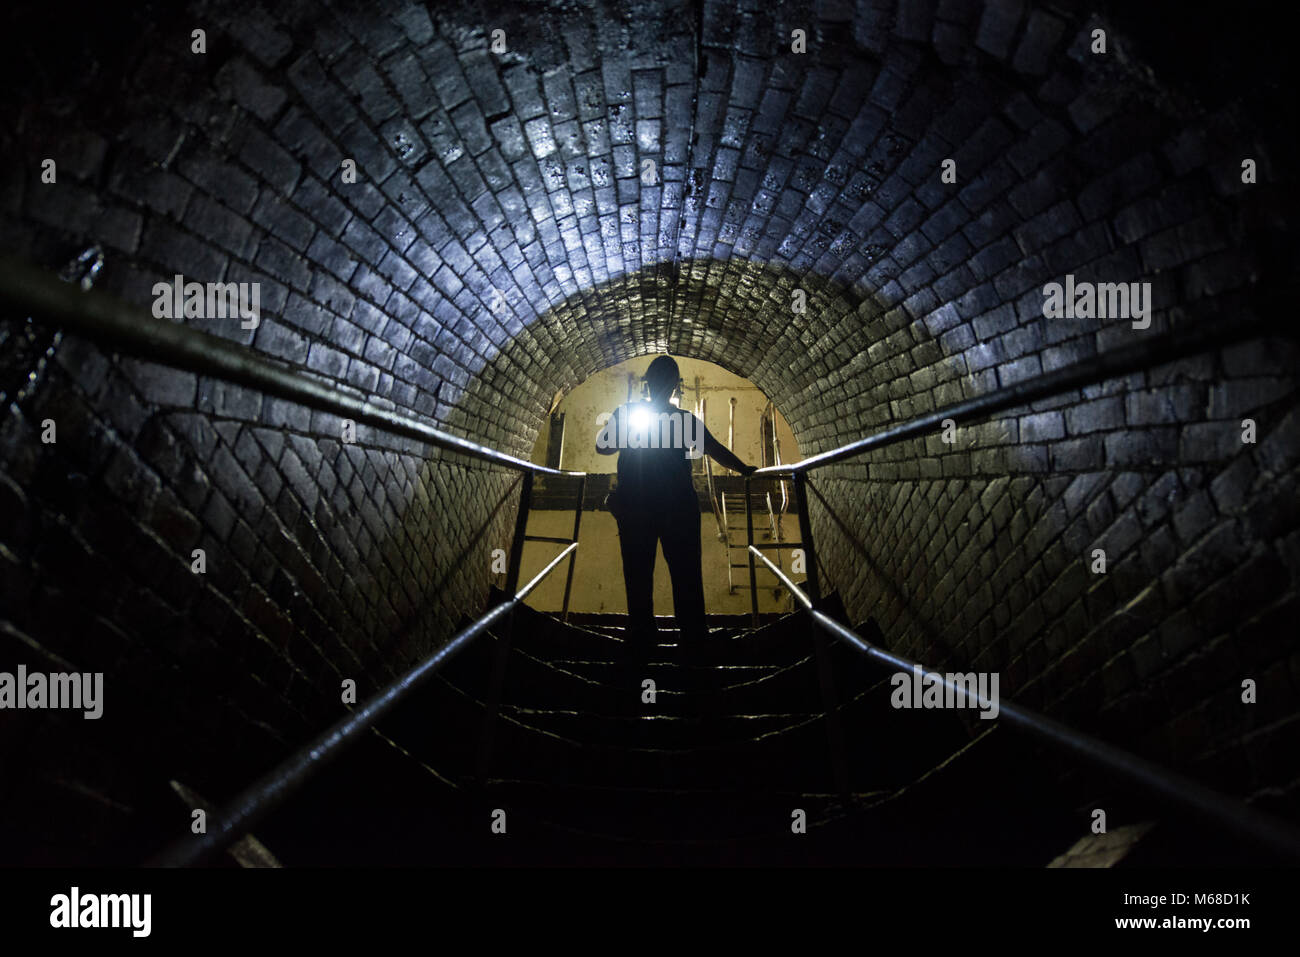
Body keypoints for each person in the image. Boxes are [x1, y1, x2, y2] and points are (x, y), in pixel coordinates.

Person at [595, 355, 756, 650]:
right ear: (675, 387)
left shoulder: (628, 413)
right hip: (677, 506)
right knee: (685, 571)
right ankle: (693, 635)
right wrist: (745, 470)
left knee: (638, 569)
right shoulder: (682, 420)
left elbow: (603, 446)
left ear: (647, 383)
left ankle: (643, 632)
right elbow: (715, 449)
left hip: (636, 506)